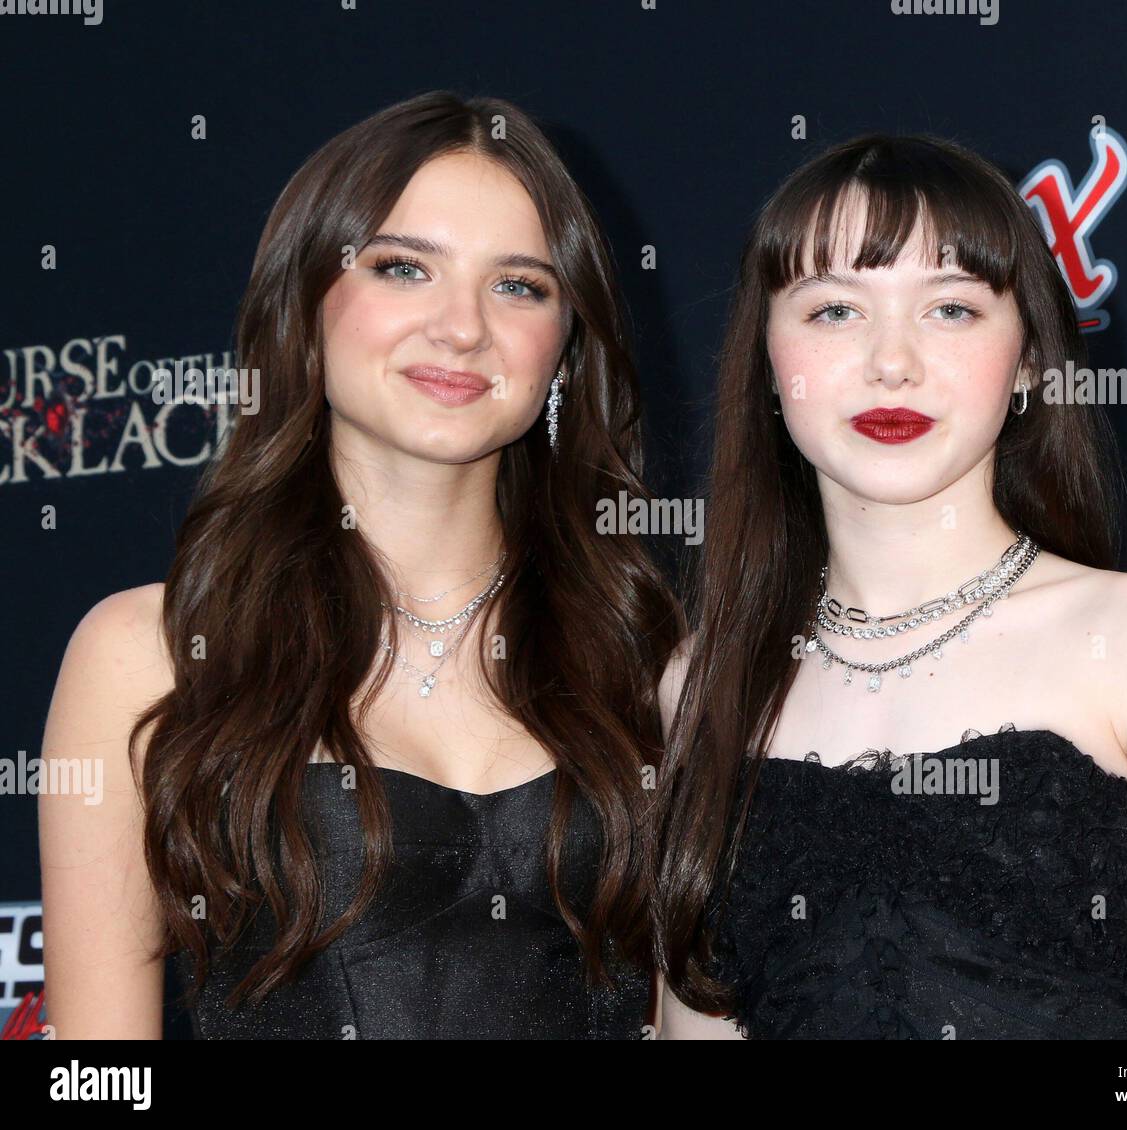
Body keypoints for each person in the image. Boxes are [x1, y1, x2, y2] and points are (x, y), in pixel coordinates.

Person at [38, 91, 681, 1039]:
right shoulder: (151, 653)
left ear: (566, 345)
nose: (462, 327)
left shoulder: (659, 661)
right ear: (306, 300)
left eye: (519, 285)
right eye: (403, 268)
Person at [653, 132, 1127, 1039]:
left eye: (951, 310)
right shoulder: (701, 682)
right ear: (765, 360)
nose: (892, 361)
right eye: (834, 310)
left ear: (1029, 358)